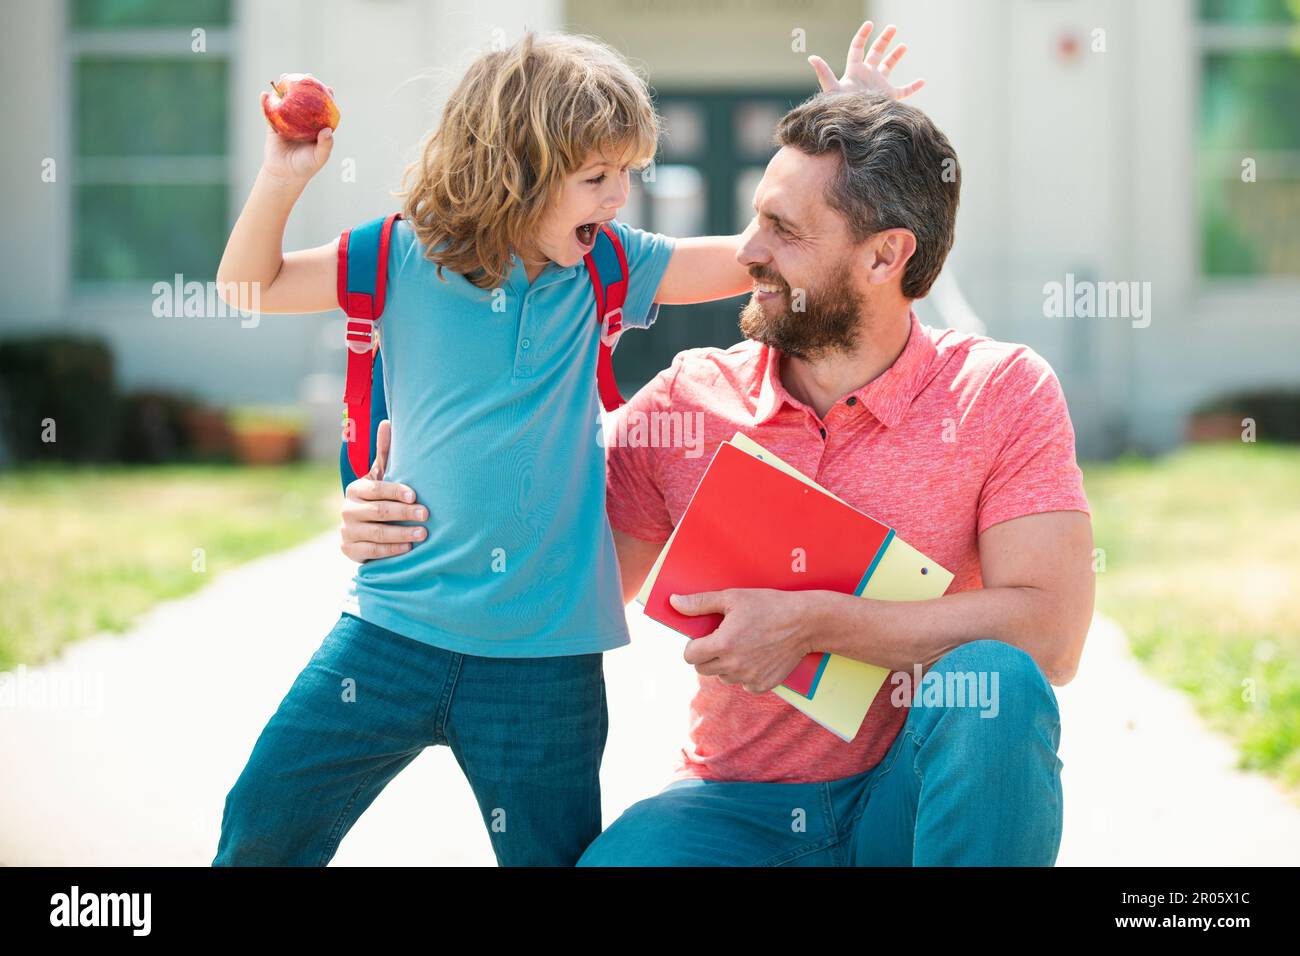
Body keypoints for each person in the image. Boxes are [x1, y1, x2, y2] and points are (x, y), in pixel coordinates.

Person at [214, 24, 924, 866]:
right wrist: (281, 176)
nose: (619, 196)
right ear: (515, 172)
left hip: (544, 669)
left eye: (626, 174)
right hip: (393, 631)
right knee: (262, 819)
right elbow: (245, 285)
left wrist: (851, 124)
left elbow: (748, 258)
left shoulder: (605, 268)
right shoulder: (395, 256)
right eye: (597, 178)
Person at [345, 90, 1094, 866]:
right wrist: (404, 521)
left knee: (997, 681)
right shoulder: (687, 399)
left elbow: (1051, 634)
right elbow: (546, 575)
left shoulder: (1001, 391)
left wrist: (810, 624)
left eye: (784, 230)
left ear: (884, 255)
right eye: (757, 217)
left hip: (908, 809)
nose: (747, 252)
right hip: (733, 809)